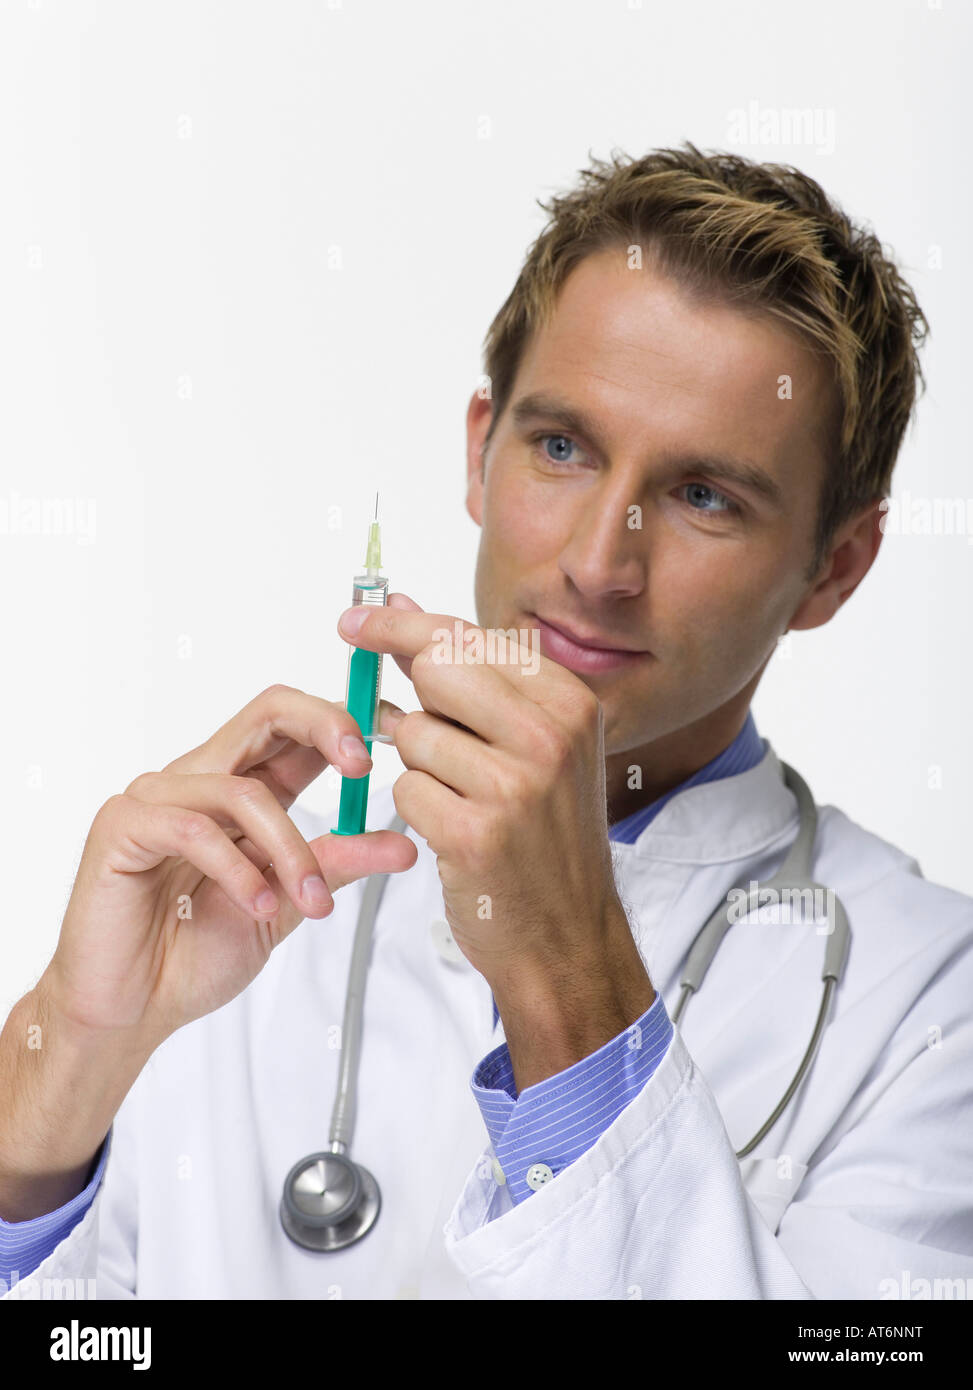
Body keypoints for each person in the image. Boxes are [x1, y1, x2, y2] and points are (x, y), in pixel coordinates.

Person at [2, 143, 971, 1301]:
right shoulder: (239, 899)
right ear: (479, 448)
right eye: (560, 448)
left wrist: (569, 977)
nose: (596, 564)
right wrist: (64, 1051)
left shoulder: (927, 1006)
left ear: (835, 567)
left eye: (704, 495)